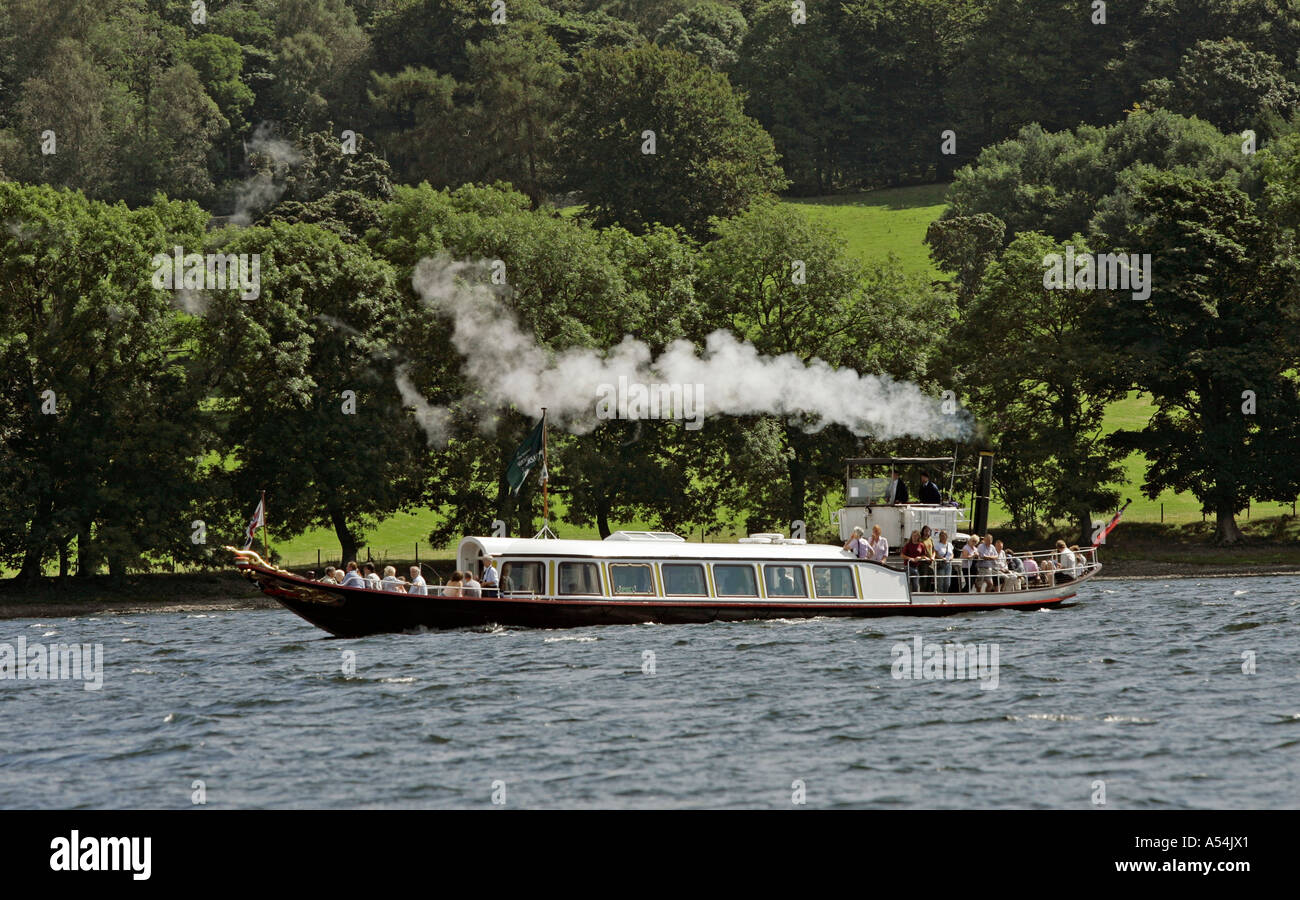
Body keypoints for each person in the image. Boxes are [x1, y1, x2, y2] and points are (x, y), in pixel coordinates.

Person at [918, 526, 936, 591]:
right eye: (925, 531)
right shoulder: (920, 540)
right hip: (923, 563)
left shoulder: (930, 539)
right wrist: (925, 557)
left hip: (931, 562)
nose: (927, 532)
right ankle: (923, 594)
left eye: (928, 531)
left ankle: (928, 593)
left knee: (930, 579)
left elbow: (933, 550)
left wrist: (933, 556)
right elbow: (919, 551)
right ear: (923, 531)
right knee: (924, 580)